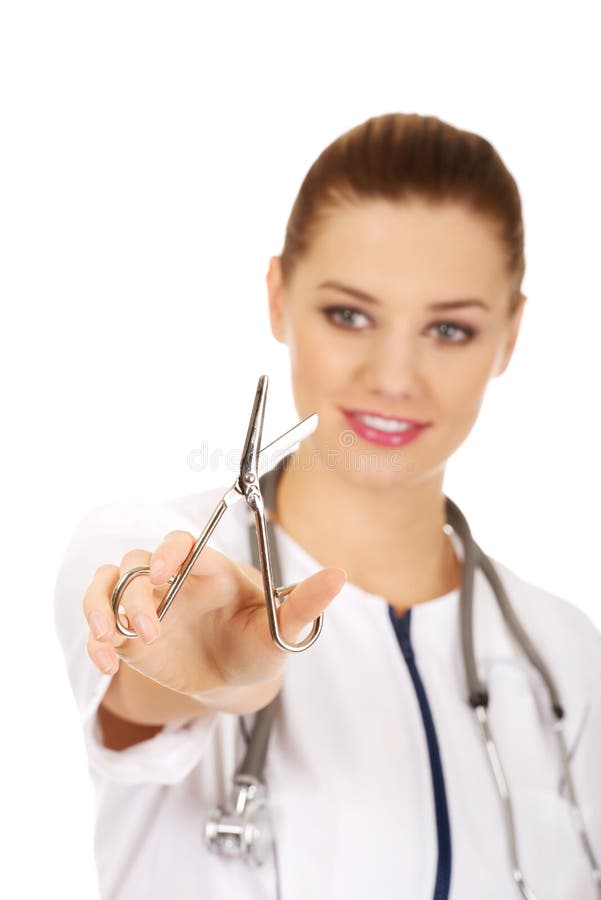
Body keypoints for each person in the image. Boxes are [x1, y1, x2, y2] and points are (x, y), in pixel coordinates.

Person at [54, 112, 601, 900]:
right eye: (349, 314)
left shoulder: (565, 656)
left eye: (449, 328)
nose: (392, 375)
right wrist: (219, 678)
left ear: (509, 335)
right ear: (277, 298)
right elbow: (144, 692)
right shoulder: (156, 554)